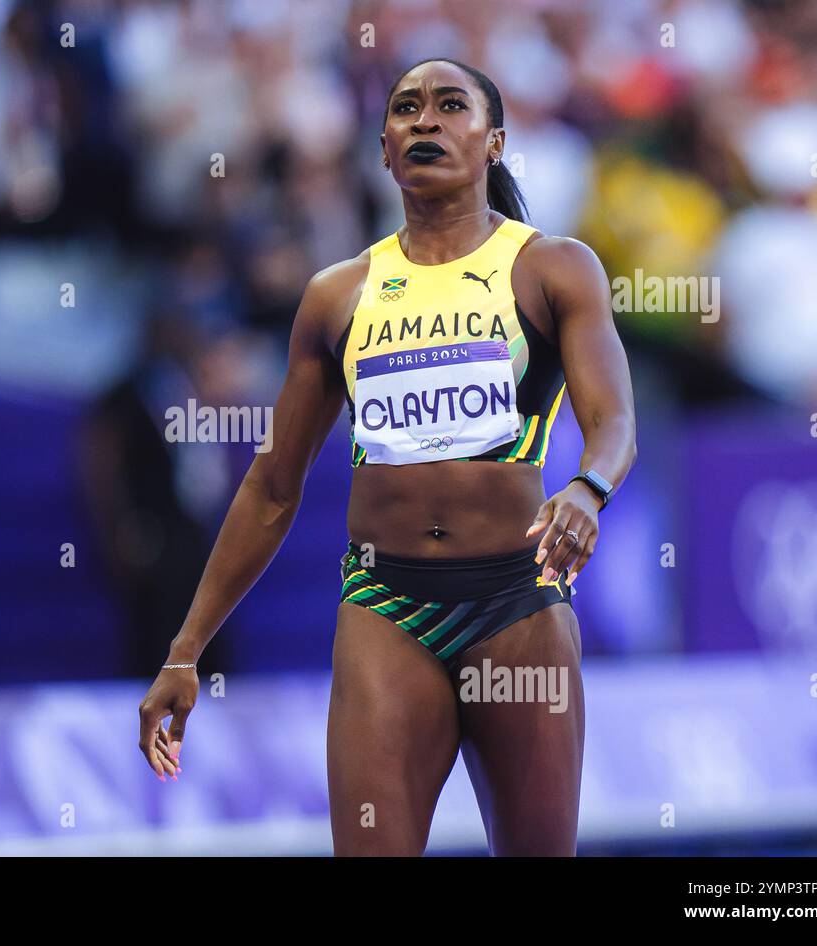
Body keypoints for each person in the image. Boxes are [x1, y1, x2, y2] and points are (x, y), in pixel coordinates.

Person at [137, 58, 637, 856]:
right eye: (407, 108)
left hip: (518, 601)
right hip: (386, 607)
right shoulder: (338, 295)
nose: (426, 121)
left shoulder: (551, 267)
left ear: (495, 141)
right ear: (382, 150)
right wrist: (185, 650)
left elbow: (613, 420)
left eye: (450, 106)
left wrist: (588, 484)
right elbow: (271, 486)